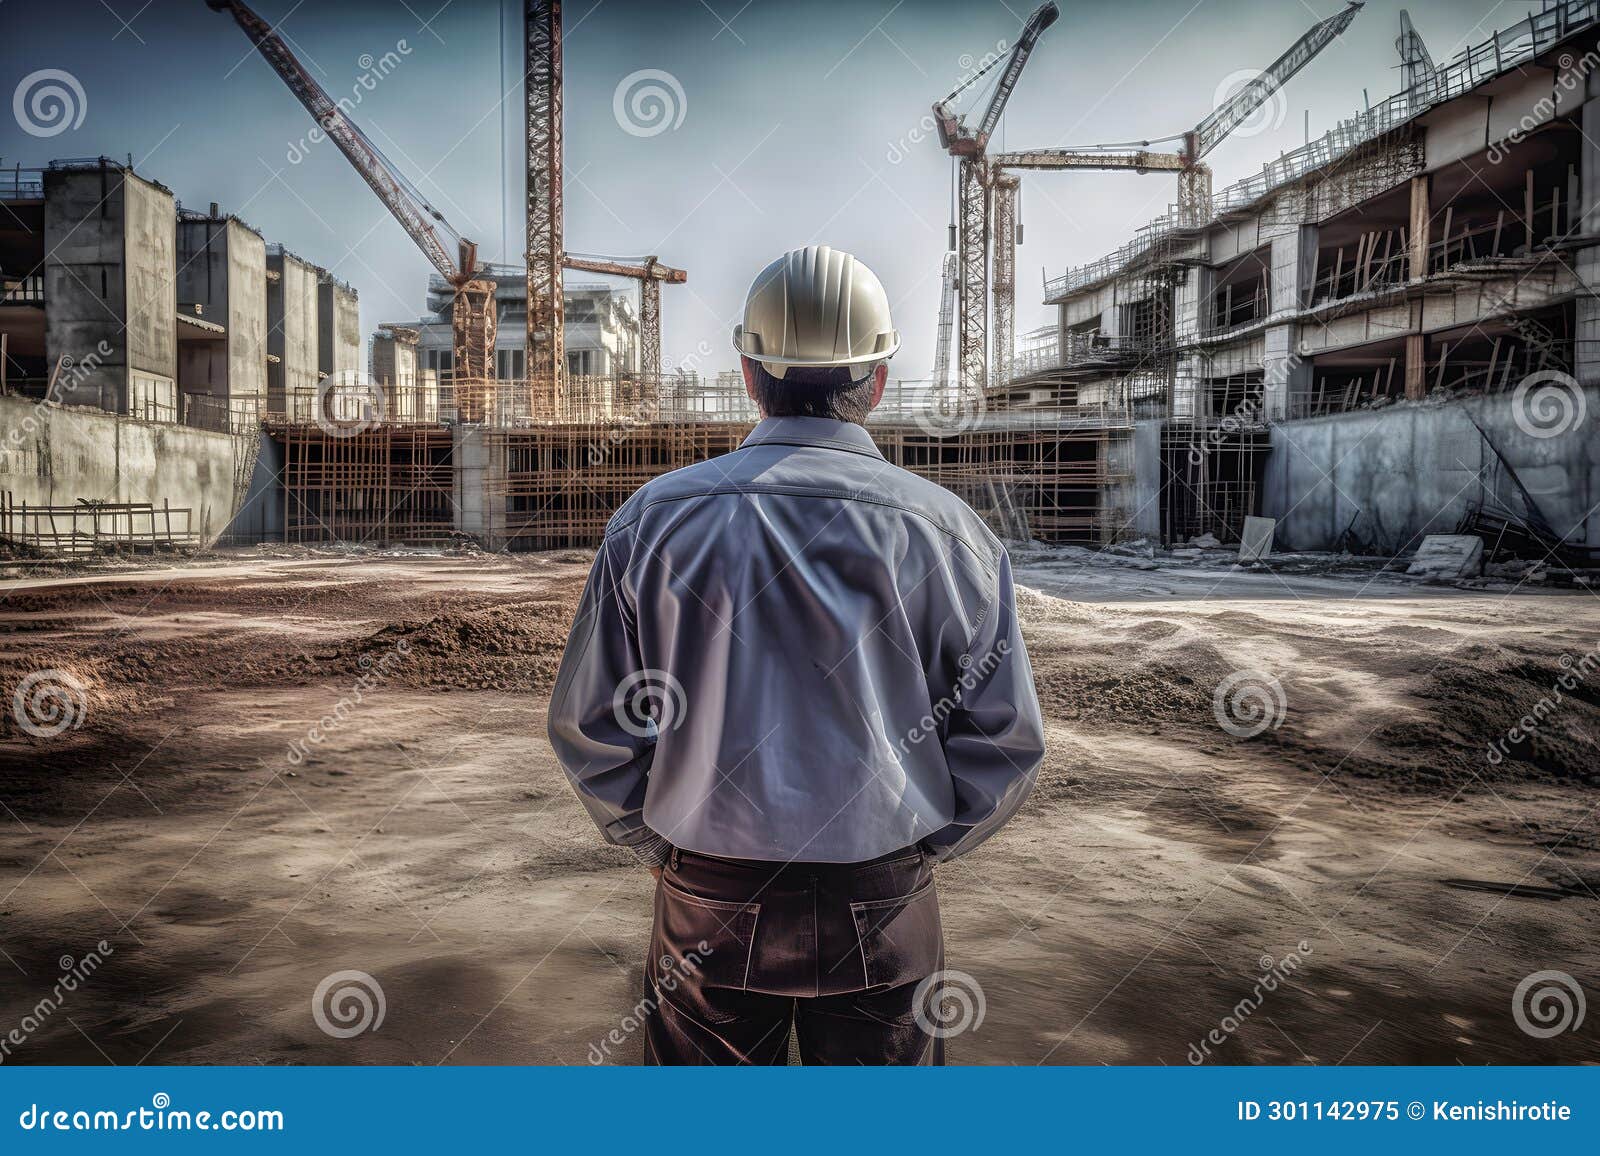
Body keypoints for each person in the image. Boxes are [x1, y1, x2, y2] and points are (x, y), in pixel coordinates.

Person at [547, 244, 1045, 1065]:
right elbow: (1006, 742)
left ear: (750, 373)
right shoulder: (950, 533)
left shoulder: (654, 522)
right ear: (877, 379)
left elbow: (589, 727)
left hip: (707, 893)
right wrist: (917, 852)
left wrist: (658, 845)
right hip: (883, 898)